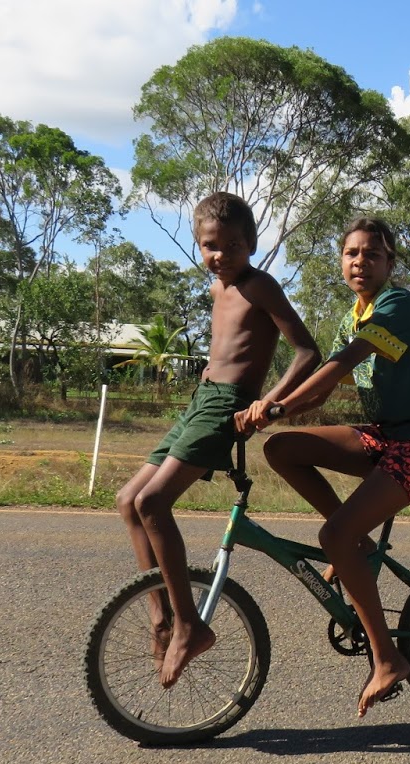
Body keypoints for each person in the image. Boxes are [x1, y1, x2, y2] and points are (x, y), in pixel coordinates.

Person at [234, 217, 410, 717]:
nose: (361, 262)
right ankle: (354, 542)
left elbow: (342, 364)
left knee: (332, 536)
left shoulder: (396, 306)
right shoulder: (350, 316)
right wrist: (270, 408)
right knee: (283, 449)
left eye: (373, 255)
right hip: (388, 437)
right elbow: (322, 384)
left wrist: (274, 407)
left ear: (389, 264)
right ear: (341, 261)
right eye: (352, 254)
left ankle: (388, 660)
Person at [117, 192, 321, 689]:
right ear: (198, 246)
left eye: (232, 244)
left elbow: (306, 352)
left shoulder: (261, 286)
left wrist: (267, 403)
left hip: (226, 403)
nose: (221, 254)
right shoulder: (216, 291)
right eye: (211, 245)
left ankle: (191, 624)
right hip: (201, 397)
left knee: (154, 501)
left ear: (250, 244)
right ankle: (162, 616)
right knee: (128, 500)